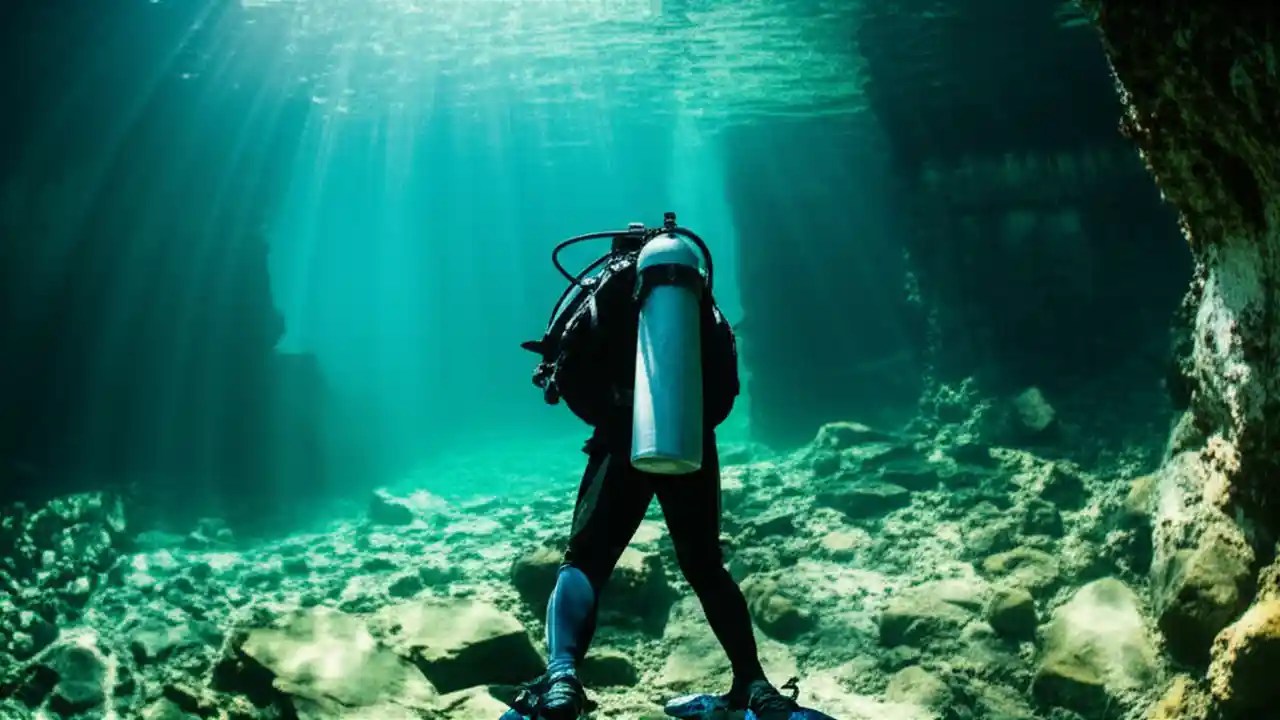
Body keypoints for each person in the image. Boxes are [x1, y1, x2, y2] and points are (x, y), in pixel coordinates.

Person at [515, 228, 801, 720]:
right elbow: (726, 385)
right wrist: (684, 423)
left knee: (583, 562)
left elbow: (568, 371)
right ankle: (755, 686)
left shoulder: (603, 289)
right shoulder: (693, 300)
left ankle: (562, 677)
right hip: (690, 442)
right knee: (706, 567)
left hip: (618, 443)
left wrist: (614, 420)